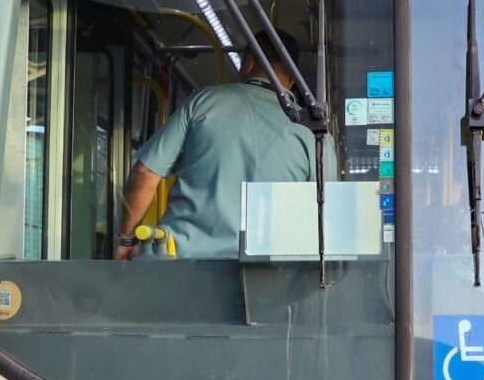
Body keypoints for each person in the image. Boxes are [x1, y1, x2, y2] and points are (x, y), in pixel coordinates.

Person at [115, 31, 332, 260]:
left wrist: (127, 239)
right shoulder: (312, 130)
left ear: (248, 63)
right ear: (294, 79)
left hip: (183, 268)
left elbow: (146, 172)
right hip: (271, 275)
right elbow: (327, 208)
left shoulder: (203, 103)